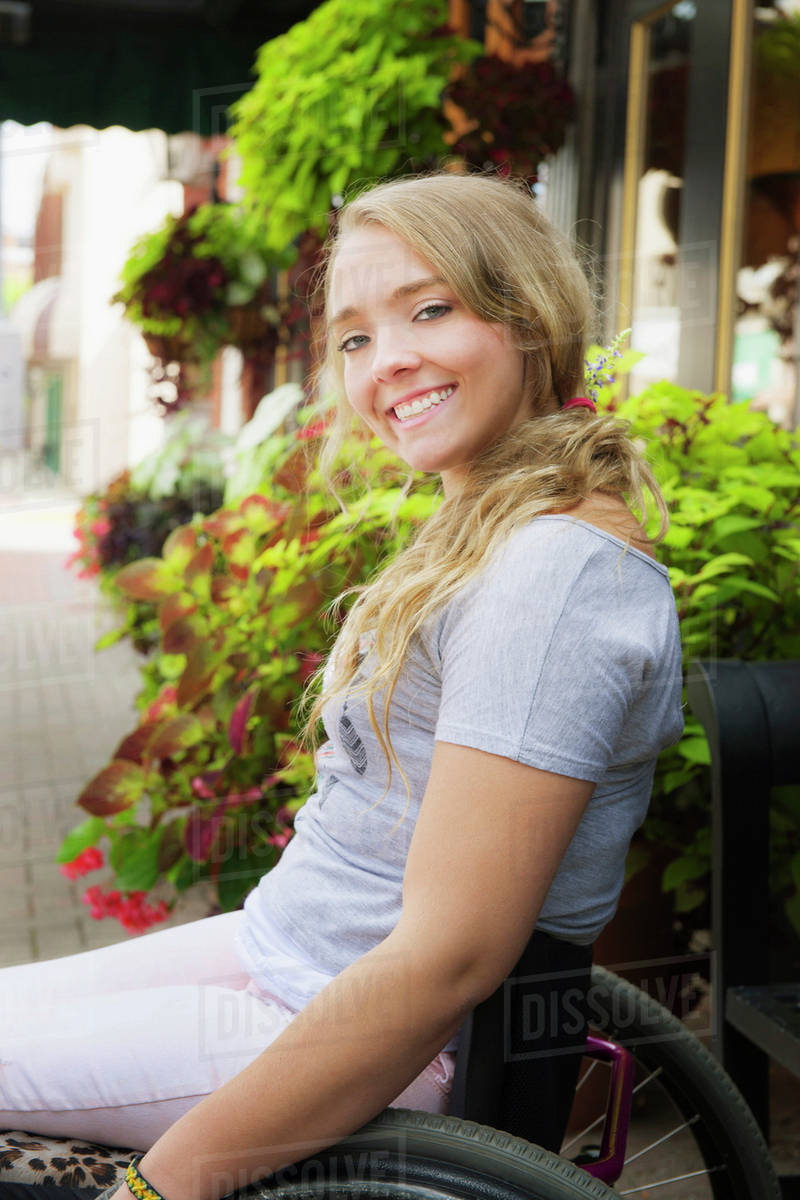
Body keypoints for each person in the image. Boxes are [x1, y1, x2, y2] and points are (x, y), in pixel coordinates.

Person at [0, 171, 684, 1200]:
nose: (385, 359)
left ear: (529, 315)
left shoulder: (552, 579)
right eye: (355, 336)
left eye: (430, 309)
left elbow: (447, 962)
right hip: (282, 952)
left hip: (354, 1026)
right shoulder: (496, 525)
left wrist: (156, 1189)